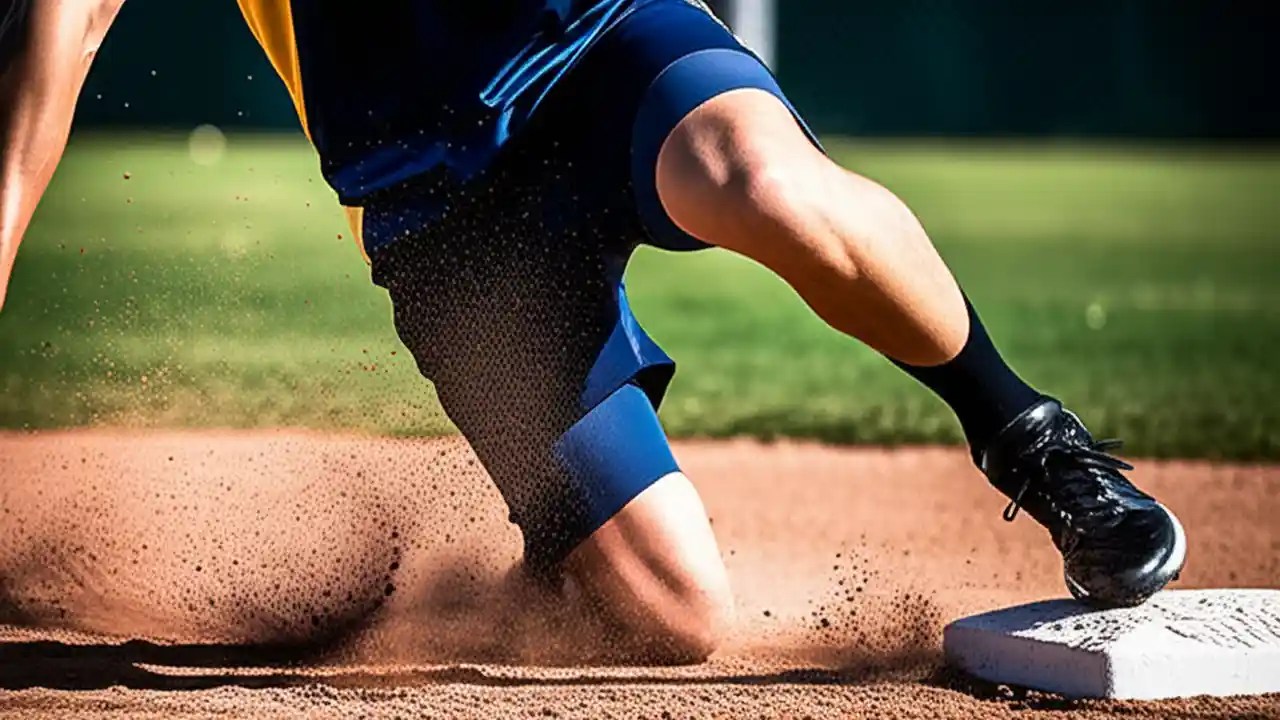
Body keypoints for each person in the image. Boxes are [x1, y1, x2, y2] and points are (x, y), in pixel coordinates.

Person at [0, 0, 1185, 663]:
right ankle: (557, 556)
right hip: (436, 206)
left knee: (763, 182)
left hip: (600, 43)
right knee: (673, 617)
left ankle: (1037, 447)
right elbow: (61, 40)